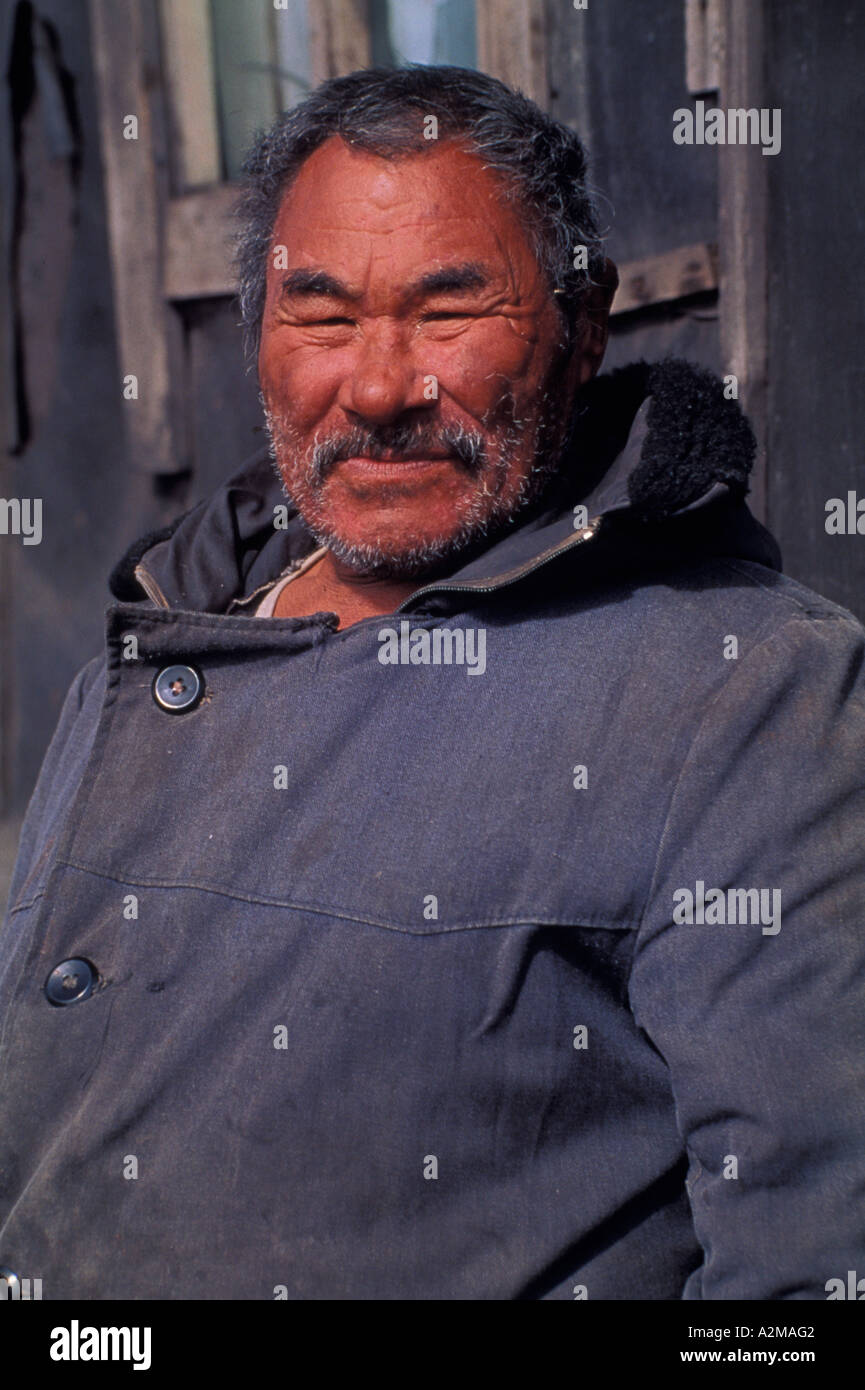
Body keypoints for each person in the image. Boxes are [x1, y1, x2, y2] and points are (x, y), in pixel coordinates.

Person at [0, 65, 862, 1302]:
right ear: (259, 331)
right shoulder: (159, 641)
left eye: (449, 312)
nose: (379, 388)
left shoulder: (742, 697)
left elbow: (811, 1269)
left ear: (583, 331)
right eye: (323, 314)